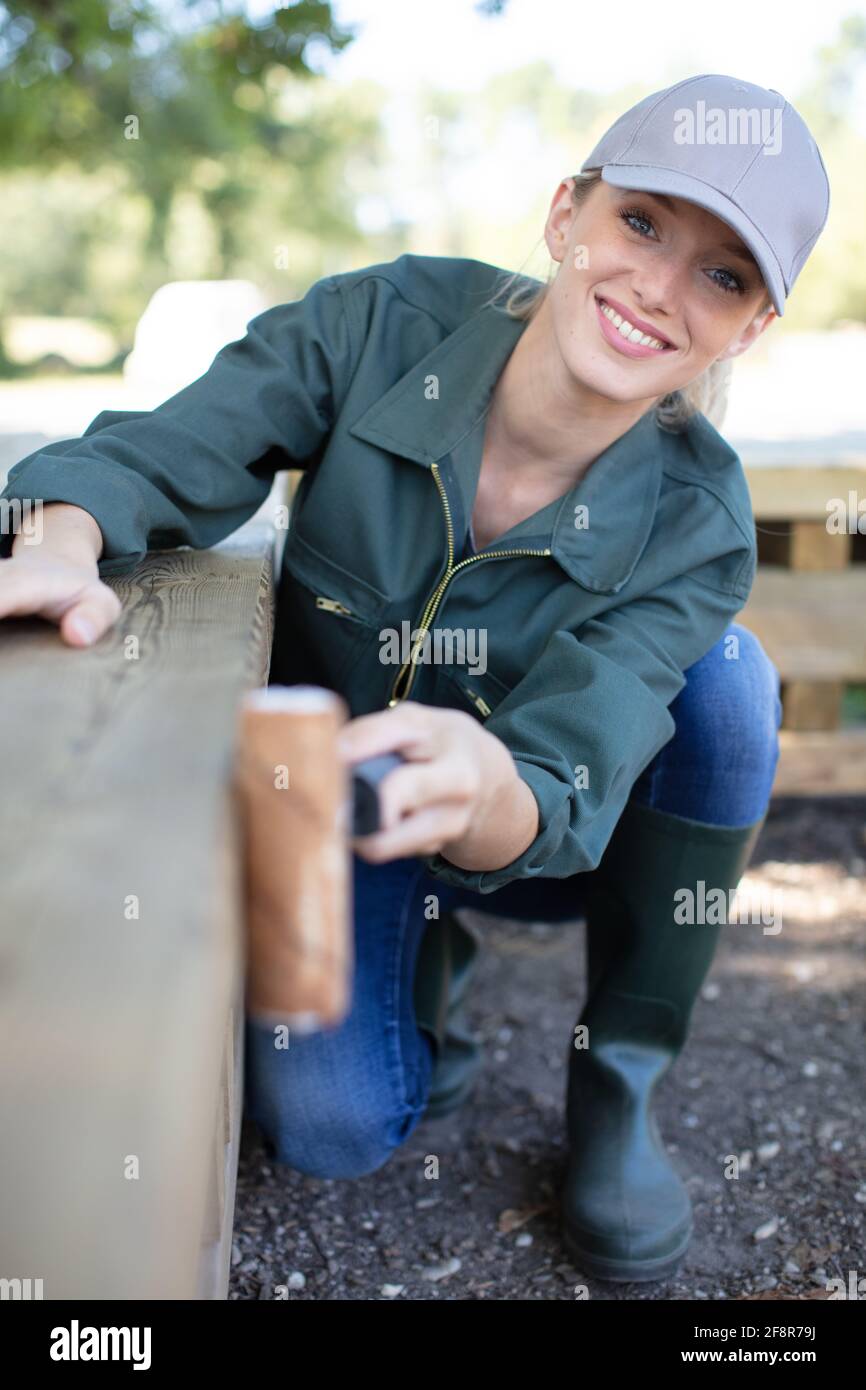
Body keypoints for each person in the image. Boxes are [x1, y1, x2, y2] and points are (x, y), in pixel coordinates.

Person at [0, 73, 830, 1284]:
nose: (657, 285)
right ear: (565, 215)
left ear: (749, 326)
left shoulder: (697, 518)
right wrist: (67, 530)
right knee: (333, 1132)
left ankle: (617, 1082)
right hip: (343, 806)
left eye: (722, 274)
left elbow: (560, 771)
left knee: (728, 683)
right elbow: (171, 445)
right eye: (641, 223)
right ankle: (418, 979)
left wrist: (484, 782)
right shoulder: (383, 323)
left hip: (549, 838)